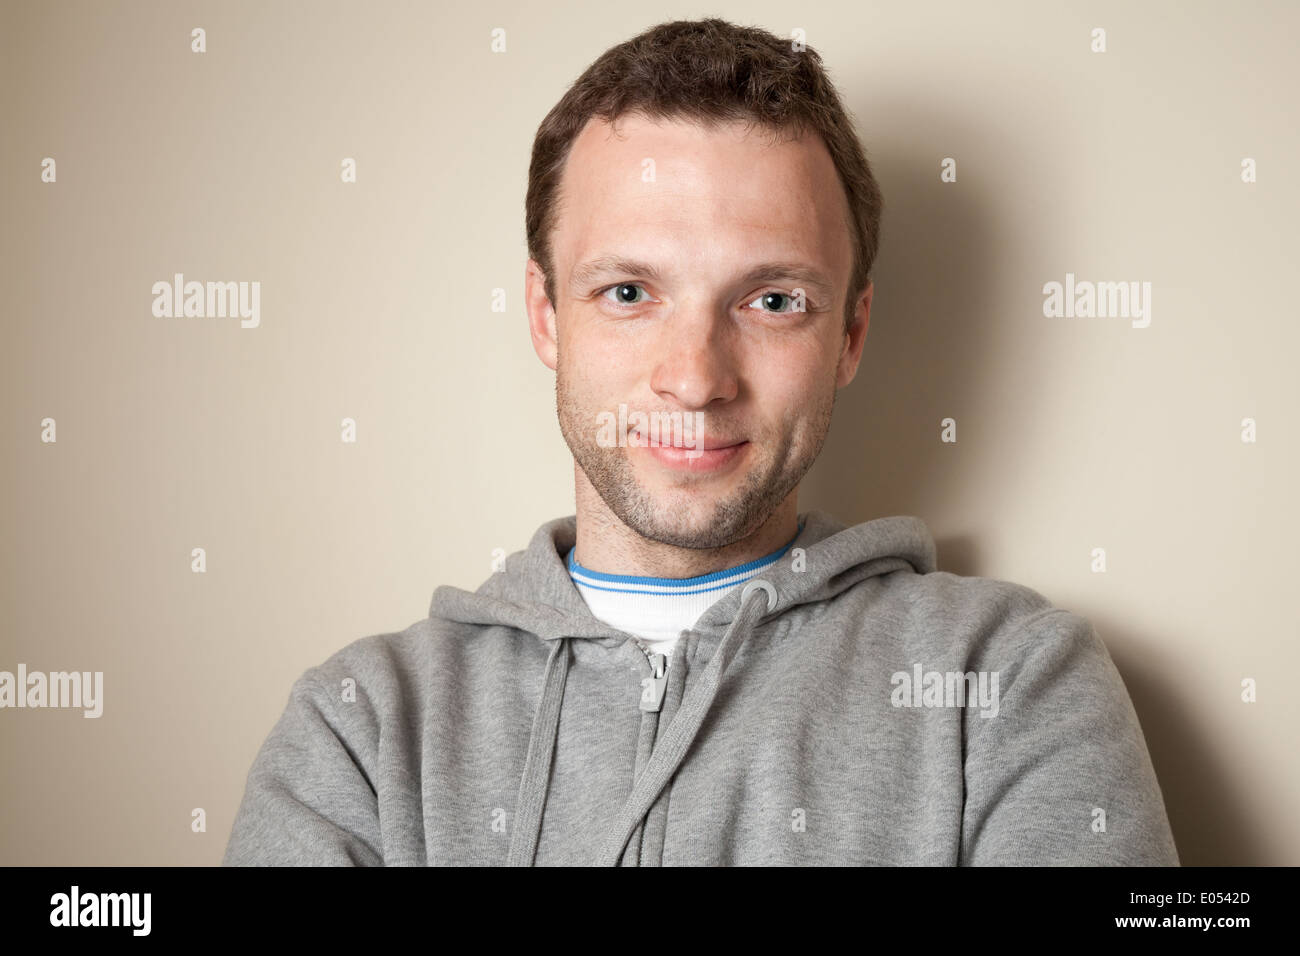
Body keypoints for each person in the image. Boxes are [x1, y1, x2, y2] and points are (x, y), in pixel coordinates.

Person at [223, 17, 1179, 866]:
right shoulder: (363, 729)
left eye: (772, 301)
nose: (696, 376)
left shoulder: (1010, 685)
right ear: (546, 315)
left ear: (848, 334)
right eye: (629, 292)